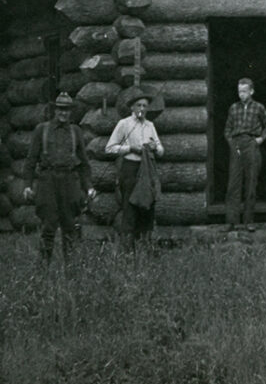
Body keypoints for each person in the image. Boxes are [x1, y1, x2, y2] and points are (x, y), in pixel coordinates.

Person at [21, 91, 95, 261]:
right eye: (60, 109)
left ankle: (70, 273)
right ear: (55, 110)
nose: (63, 113)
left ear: (71, 112)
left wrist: (89, 187)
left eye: (67, 110)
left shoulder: (75, 131)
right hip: (48, 181)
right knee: (48, 226)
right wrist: (27, 185)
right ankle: (43, 272)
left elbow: (84, 163)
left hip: (69, 181)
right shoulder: (42, 130)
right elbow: (31, 160)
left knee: (70, 227)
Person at [105, 89, 164, 245]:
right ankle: (127, 252)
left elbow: (161, 150)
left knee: (147, 209)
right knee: (130, 209)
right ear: (132, 108)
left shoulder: (150, 125)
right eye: (139, 105)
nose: (142, 109)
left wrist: (154, 147)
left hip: (147, 169)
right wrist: (129, 148)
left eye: (145, 106)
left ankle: (143, 249)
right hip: (130, 169)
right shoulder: (124, 124)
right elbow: (110, 148)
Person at [224, 77, 266, 232]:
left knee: (251, 183)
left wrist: (260, 139)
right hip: (237, 145)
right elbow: (227, 130)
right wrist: (232, 144)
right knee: (234, 183)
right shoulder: (233, 108)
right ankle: (231, 221)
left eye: (244, 91)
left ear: (251, 91)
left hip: (251, 144)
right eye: (239, 91)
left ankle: (249, 221)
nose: (241, 94)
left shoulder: (258, 107)